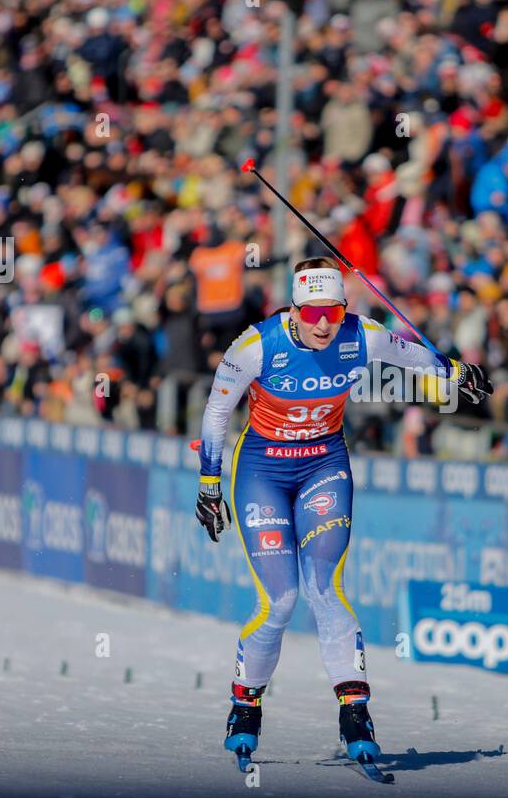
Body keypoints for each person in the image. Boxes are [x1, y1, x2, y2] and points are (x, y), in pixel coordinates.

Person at [193, 257, 491, 771]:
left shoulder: (363, 335)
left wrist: (457, 373)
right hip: (263, 471)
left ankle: (356, 715)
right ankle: (246, 707)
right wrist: (209, 483)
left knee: (326, 589)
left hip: (324, 466)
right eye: (312, 314)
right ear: (293, 309)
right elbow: (218, 412)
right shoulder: (256, 345)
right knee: (281, 601)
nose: (323, 324)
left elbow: (414, 356)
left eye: (332, 311)